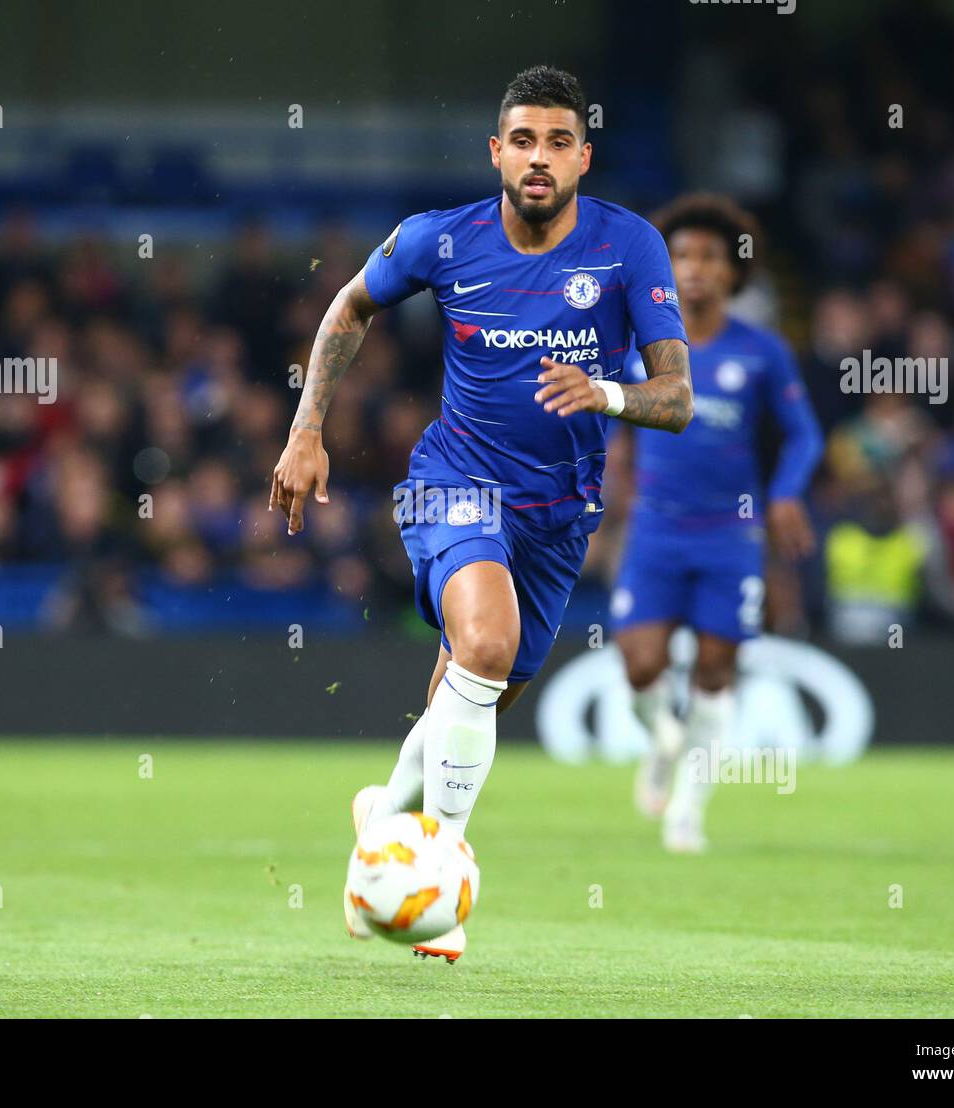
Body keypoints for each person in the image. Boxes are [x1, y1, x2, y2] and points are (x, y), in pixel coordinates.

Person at [270, 65, 693, 961]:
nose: (540, 159)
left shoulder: (631, 248)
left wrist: (607, 394)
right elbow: (349, 307)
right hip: (450, 479)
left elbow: (676, 397)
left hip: (560, 516)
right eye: (525, 141)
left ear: (585, 156)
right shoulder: (441, 240)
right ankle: (438, 876)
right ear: (497, 151)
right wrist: (308, 430)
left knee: (483, 684)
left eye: (559, 142)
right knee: (486, 644)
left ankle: (384, 821)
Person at [611, 193, 823, 853]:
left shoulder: (763, 352)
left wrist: (786, 493)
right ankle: (664, 741)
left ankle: (687, 813)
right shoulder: (640, 347)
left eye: (710, 256)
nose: (694, 268)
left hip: (731, 535)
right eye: (680, 255)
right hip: (655, 529)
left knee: (714, 670)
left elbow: (804, 436)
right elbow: (608, 420)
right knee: (640, 665)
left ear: (735, 272)